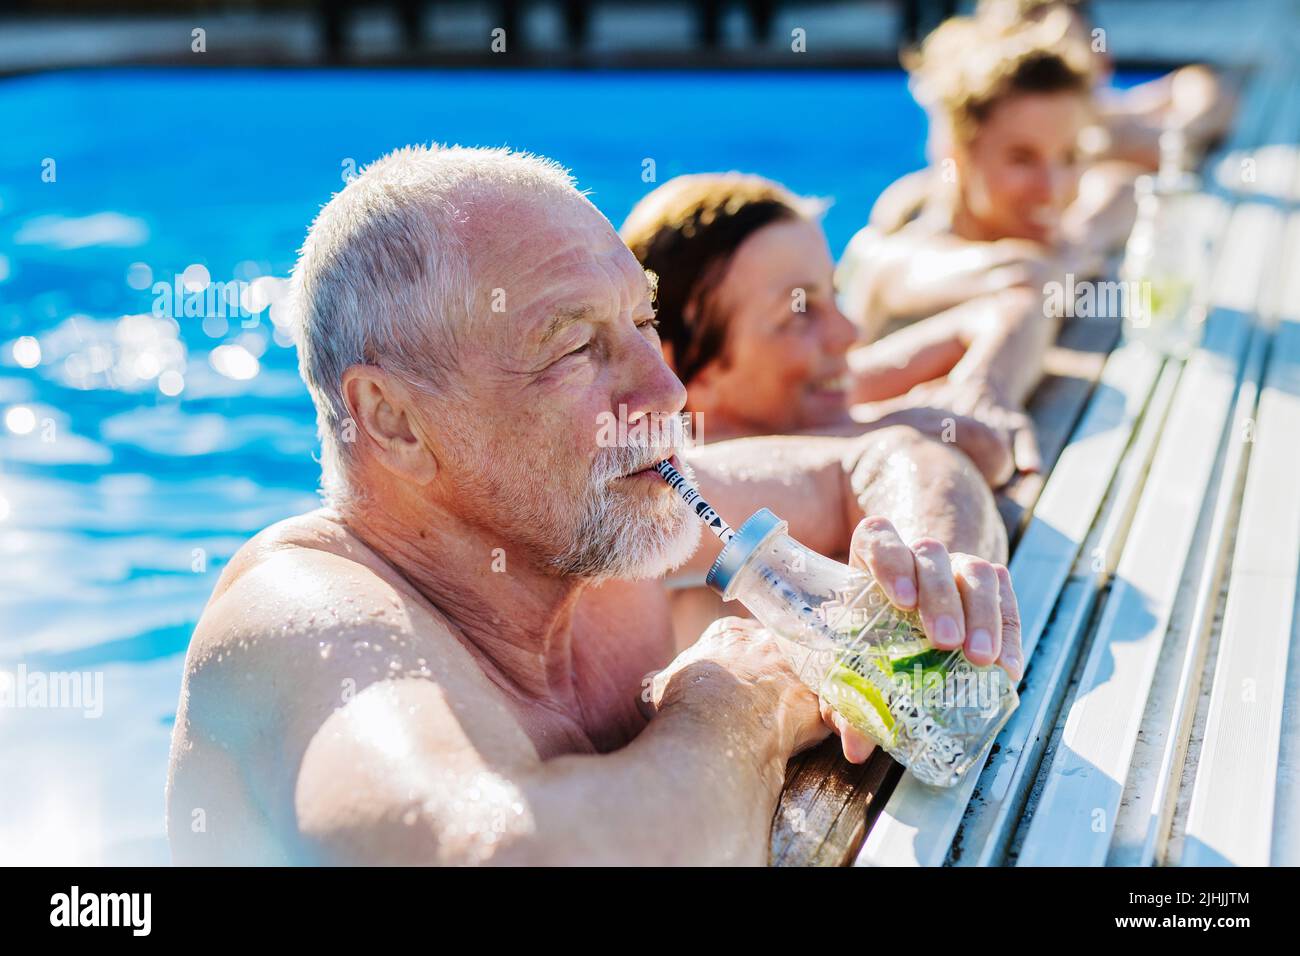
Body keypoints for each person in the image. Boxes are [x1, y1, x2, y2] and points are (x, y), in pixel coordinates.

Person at [165, 146, 1021, 866]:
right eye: (577, 347)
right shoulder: (304, 617)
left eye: (645, 325)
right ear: (394, 422)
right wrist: (737, 707)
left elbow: (890, 460)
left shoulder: (587, 521)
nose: (665, 388)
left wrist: (924, 581)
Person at [624, 172, 1040, 478]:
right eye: (799, 312)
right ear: (677, 363)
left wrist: (987, 385)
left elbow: (1006, 307)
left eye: (833, 294)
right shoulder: (677, 482)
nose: (849, 334)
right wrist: (881, 428)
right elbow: (979, 444)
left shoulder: (819, 397)